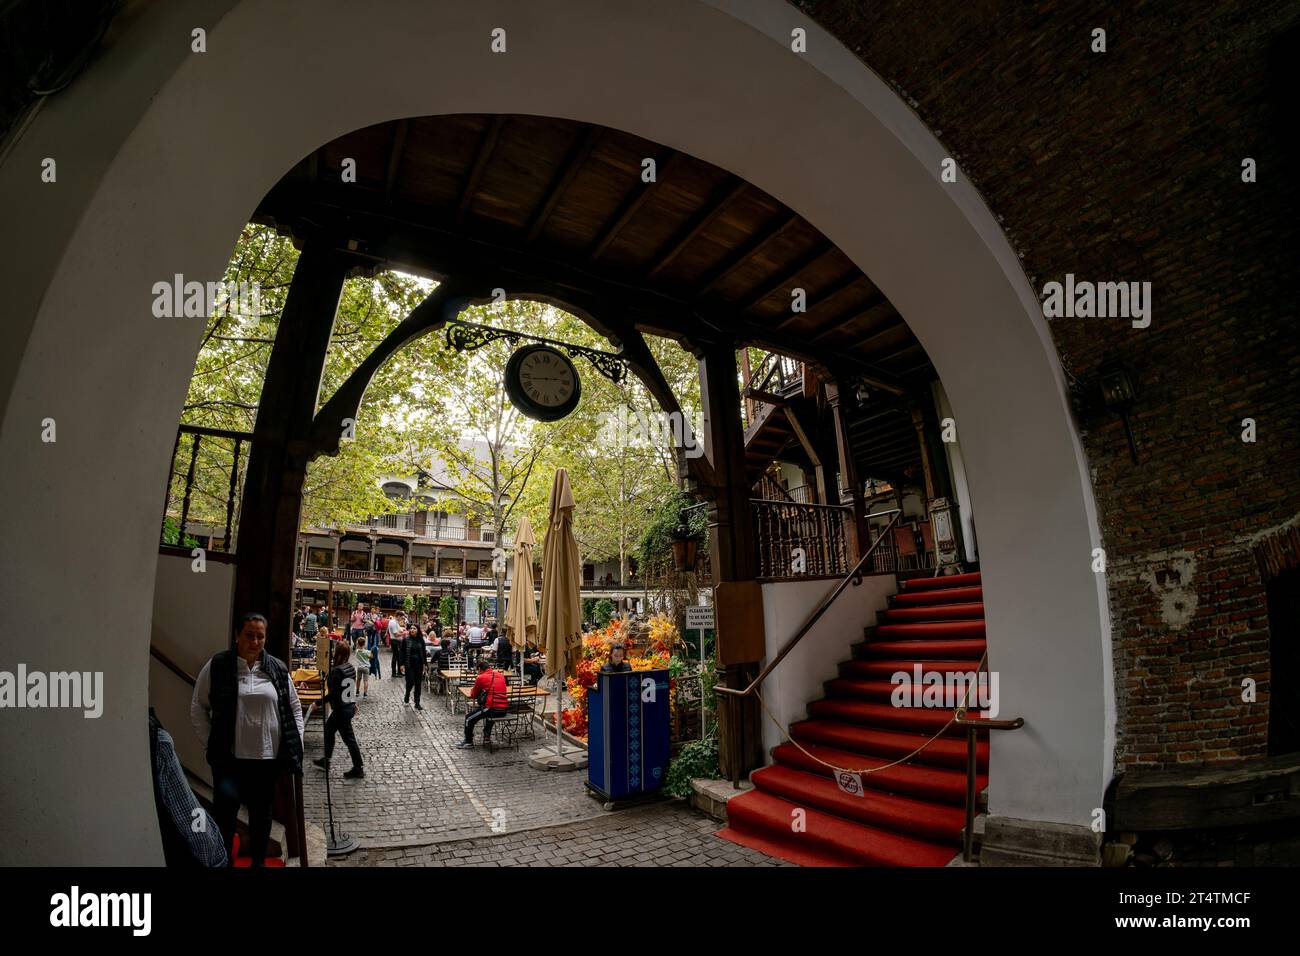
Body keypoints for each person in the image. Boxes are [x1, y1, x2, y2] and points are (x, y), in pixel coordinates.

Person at [190, 612, 304, 866]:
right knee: (224, 818)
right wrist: (211, 742)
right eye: (249, 635)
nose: (255, 641)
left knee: (261, 819)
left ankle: (257, 864)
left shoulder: (276, 668)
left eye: (260, 636)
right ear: (237, 636)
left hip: (266, 760)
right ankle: (223, 862)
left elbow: (294, 707)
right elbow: (198, 707)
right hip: (230, 761)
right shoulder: (218, 666)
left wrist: (297, 742)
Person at [313, 639, 364, 778]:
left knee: (347, 738)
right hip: (347, 708)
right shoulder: (350, 668)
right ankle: (328, 760)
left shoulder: (337, 671)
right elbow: (349, 690)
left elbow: (334, 694)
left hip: (341, 710)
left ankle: (357, 768)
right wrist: (353, 704)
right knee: (332, 731)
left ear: (337, 653)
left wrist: (318, 702)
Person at [456, 659, 508, 749]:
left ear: (479, 669)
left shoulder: (481, 677)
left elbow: (473, 695)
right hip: (503, 709)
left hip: (492, 708)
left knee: (469, 718)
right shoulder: (501, 675)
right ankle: (486, 737)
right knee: (488, 716)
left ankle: (468, 742)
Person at [403, 622, 427, 709]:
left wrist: (425, 664)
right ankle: (407, 694)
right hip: (409, 664)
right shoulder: (406, 639)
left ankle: (417, 703)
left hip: (419, 664)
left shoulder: (421, 640)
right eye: (411, 628)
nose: (412, 630)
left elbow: (423, 652)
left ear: (417, 630)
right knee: (410, 682)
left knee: (418, 684)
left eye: (414, 628)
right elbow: (402, 652)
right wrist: (401, 664)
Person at [388, 611, 406, 678]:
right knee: (396, 657)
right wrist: (404, 633)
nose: (401, 619)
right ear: (398, 616)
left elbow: (398, 630)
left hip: (396, 641)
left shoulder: (395, 622)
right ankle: (394, 673)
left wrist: (402, 629)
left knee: (398, 657)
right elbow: (396, 634)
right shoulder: (393, 622)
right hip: (395, 641)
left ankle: (399, 672)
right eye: (401, 617)